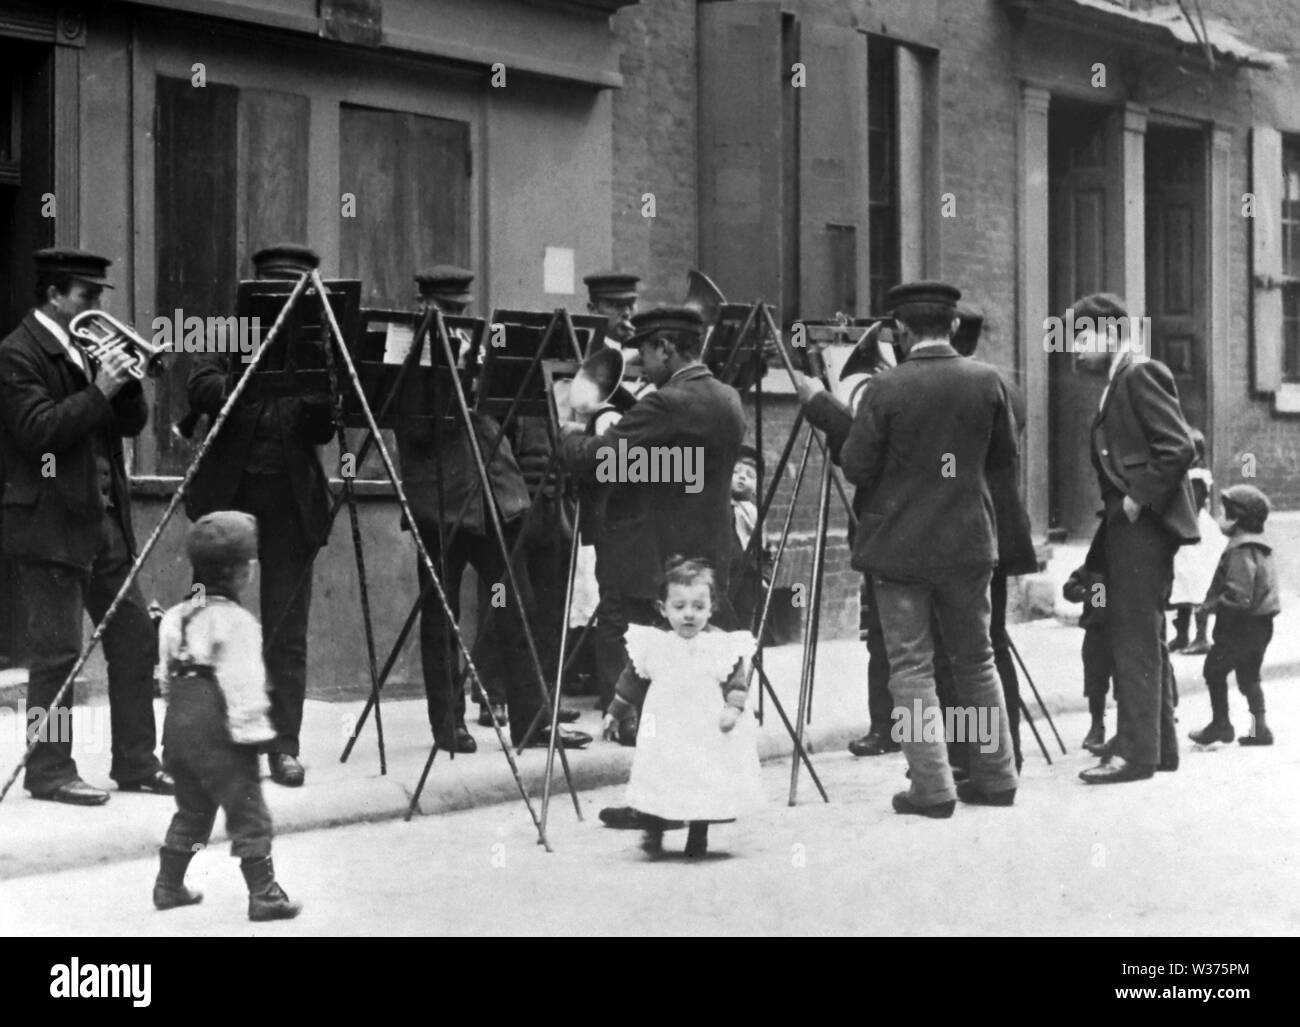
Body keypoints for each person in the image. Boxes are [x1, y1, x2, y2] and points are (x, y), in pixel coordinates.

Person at [840, 281, 1019, 818]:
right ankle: (996, 775)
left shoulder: (886, 388)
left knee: (912, 667)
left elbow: (856, 467)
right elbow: (1003, 458)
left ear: (900, 330)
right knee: (977, 659)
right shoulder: (989, 381)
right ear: (953, 326)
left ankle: (932, 787)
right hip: (969, 543)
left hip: (901, 550)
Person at [0, 247, 171, 805]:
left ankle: (137, 763)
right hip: (49, 524)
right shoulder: (17, 353)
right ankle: (49, 770)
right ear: (53, 295)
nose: (97, 306)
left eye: (99, 296)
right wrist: (98, 387)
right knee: (56, 656)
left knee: (134, 640)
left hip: (104, 522)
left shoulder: (85, 348)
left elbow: (130, 421)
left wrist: (127, 381)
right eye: (87, 296)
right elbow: (38, 431)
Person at [395, 267, 589, 752]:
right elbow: (415, 431)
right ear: (425, 308)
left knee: (513, 603)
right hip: (438, 503)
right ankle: (449, 723)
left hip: (493, 501)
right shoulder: (405, 352)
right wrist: (445, 373)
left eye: (462, 311)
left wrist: (486, 374)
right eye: (447, 311)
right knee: (442, 614)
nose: (456, 320)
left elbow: (506, 418)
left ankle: (531, 718)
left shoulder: (480, 350)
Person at [185, 243, 334, 788]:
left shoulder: (318, 341)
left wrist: (321, 390)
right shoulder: (231, 331)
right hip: (231, 499)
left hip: (292, 507)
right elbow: (197, 383)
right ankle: (207, 733)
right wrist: (245, 380)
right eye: (275, 290)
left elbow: (322, 429)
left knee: (286, 630)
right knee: (212, 621)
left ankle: (282, 745)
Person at [1073, 293, 1198, 784]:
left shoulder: (1139, 373)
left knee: (1133, 639)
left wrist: (1136, 500)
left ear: (1110, 333)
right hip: (1130, 530)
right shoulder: (1119, 379)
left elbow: (1178, 446)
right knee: (1144, 635)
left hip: (1142, 530)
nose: (1075, 349)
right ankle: (1157, 747)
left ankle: (1137, 755)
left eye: (1083, 337)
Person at [152, 511, 301, 921]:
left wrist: (176, 725)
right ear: (239, 572)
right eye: (250, 564)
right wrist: (254, 735)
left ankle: (168, 885)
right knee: (247, 808)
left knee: (193, 809)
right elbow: (243, 683)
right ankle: (265, 893)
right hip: (221, 727)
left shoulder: (174, 617)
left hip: (180, 728)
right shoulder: (238, 622)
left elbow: (165, 678)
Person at [601, 557, 761, 857]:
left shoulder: (720, 646)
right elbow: (631, 681)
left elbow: (736, 682)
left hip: (702, 729)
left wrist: (733, 708)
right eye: (680, 607)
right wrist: (614, 712)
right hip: (663, 729)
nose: (689, 615)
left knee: (699, 776)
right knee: (659, 775)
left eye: (698, 607)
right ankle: (654, 829)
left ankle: (698, 835)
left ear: (711, 608)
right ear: (663, 608)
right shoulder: (654, 644)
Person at [793, 328, 898, 758]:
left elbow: (865, 456)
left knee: (895, 639)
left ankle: (898, 729)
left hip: (893, 529)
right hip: (885, 529)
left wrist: (821, 405)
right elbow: (850, 454)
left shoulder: (903, 394)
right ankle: (888, 726)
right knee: (883, 636)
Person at [1189, 484, 1280, 747]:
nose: (1220, 516)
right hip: (1260, 625)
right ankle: (1259, 728)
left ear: (1237, 517)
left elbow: (1240, 596)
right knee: (1249, 675)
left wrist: (1211, 606)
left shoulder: (1240, 548)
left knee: (1214, 670)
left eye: (1225, 511)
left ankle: (1221, 725)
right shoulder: (1260, 545)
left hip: (1240, 625)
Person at [1169, 428, 1221, 655]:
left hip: (1195, 531)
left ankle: (1201, 636)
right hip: (1182, 529)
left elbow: (1194, 505)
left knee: (1197, 582)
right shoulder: (1183, 471)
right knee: (1181, 582)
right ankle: (1181, 635)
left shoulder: (1198, 475)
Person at [1063, 522, 1112, 751]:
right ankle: (1097, 726)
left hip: (1121, 631)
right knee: (1095, 682)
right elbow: (1069, 587)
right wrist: (1085, 594)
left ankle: (1125, 729)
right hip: (1096, 632)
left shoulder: (1126, 566)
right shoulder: (1091, 569)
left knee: (1125, 682)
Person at [726, 445, 772, 638]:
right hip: (726, 577)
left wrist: (765, 576)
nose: (742, 477)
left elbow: (766, 550)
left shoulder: (755, 514)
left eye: (750, 475)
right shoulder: (721, 508)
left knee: (743, 630)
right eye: (735, 472)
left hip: (749, 580)